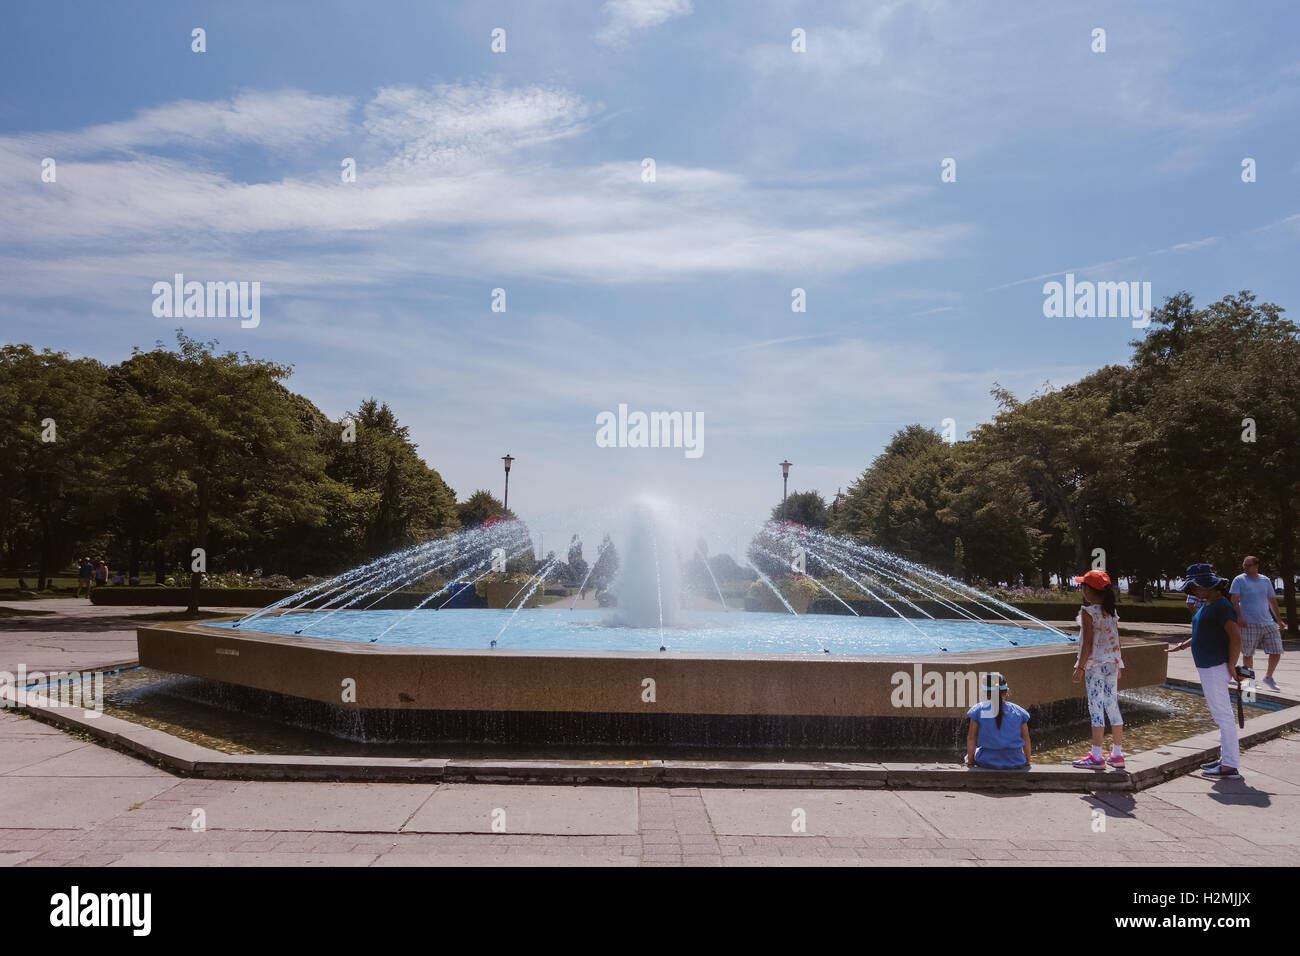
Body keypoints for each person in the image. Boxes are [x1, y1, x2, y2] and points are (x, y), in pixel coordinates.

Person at [1168, 563, 1243, 779]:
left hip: (1215, 666)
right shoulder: (1209, 605)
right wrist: (1183, 645)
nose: (1193, 591)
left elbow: (1235, 637)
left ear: (1209, 586)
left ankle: (1229, 765)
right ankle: (1225, 759)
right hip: (1208, 666)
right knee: (1220, 714)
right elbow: (1203, 632)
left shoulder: (1221, 606)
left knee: (1223, 716)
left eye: (1195, 586)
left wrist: (1231, 664)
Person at [1070, 569, 1125, 768]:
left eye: (1083, 586)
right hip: (1111, 662)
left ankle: (1096, 756)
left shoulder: (1088, 611)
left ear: (1089, 590)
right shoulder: (1110, 611)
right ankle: (1117, 755)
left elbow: (1088, 643)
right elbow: (1115, 640)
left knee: (1095, 708)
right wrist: (1119, 663)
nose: (1081, 589)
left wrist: (1080, 666)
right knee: (1112, 704)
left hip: (1094, 665)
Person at [1230, 556, 1284, 691]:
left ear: (1256, 566)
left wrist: (1279, 620)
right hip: (1248, 623)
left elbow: (1272, 601)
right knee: (1248, 654)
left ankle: (1269, 677)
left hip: (1267, 622)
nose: (1245, 568)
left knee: (1276, 650)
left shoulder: (1265, 580)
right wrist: (1239, 617)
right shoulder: (1239, 580)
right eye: (1244, 565)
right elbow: (1234, 600)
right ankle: (1249, 682)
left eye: (1248, 565)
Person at [963, 673, 1031, 769]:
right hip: (1015, 761)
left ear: (985, 691)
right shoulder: (1019, 712)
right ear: (1007, 691)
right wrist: (1027, 761)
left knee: (969, 756)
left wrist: (970, 761)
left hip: (986, 761)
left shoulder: (978, 710)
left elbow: (972, 738)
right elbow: (1026, 740)